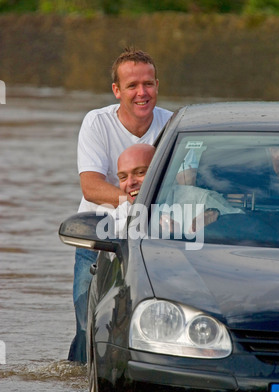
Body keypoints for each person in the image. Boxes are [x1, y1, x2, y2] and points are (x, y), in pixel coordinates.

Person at [69, 48, 172, 363]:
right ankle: (78, 384)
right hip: (100, 239)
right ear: (117, 91)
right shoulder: (96, 123)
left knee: (154, 330)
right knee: (89, 330)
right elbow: (91, 186)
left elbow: (184, 187)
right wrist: (138, 201)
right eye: (132, 86)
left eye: (148, 84)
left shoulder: (173, 124)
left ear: (157, 84)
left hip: (154, 242)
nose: (142, 93)